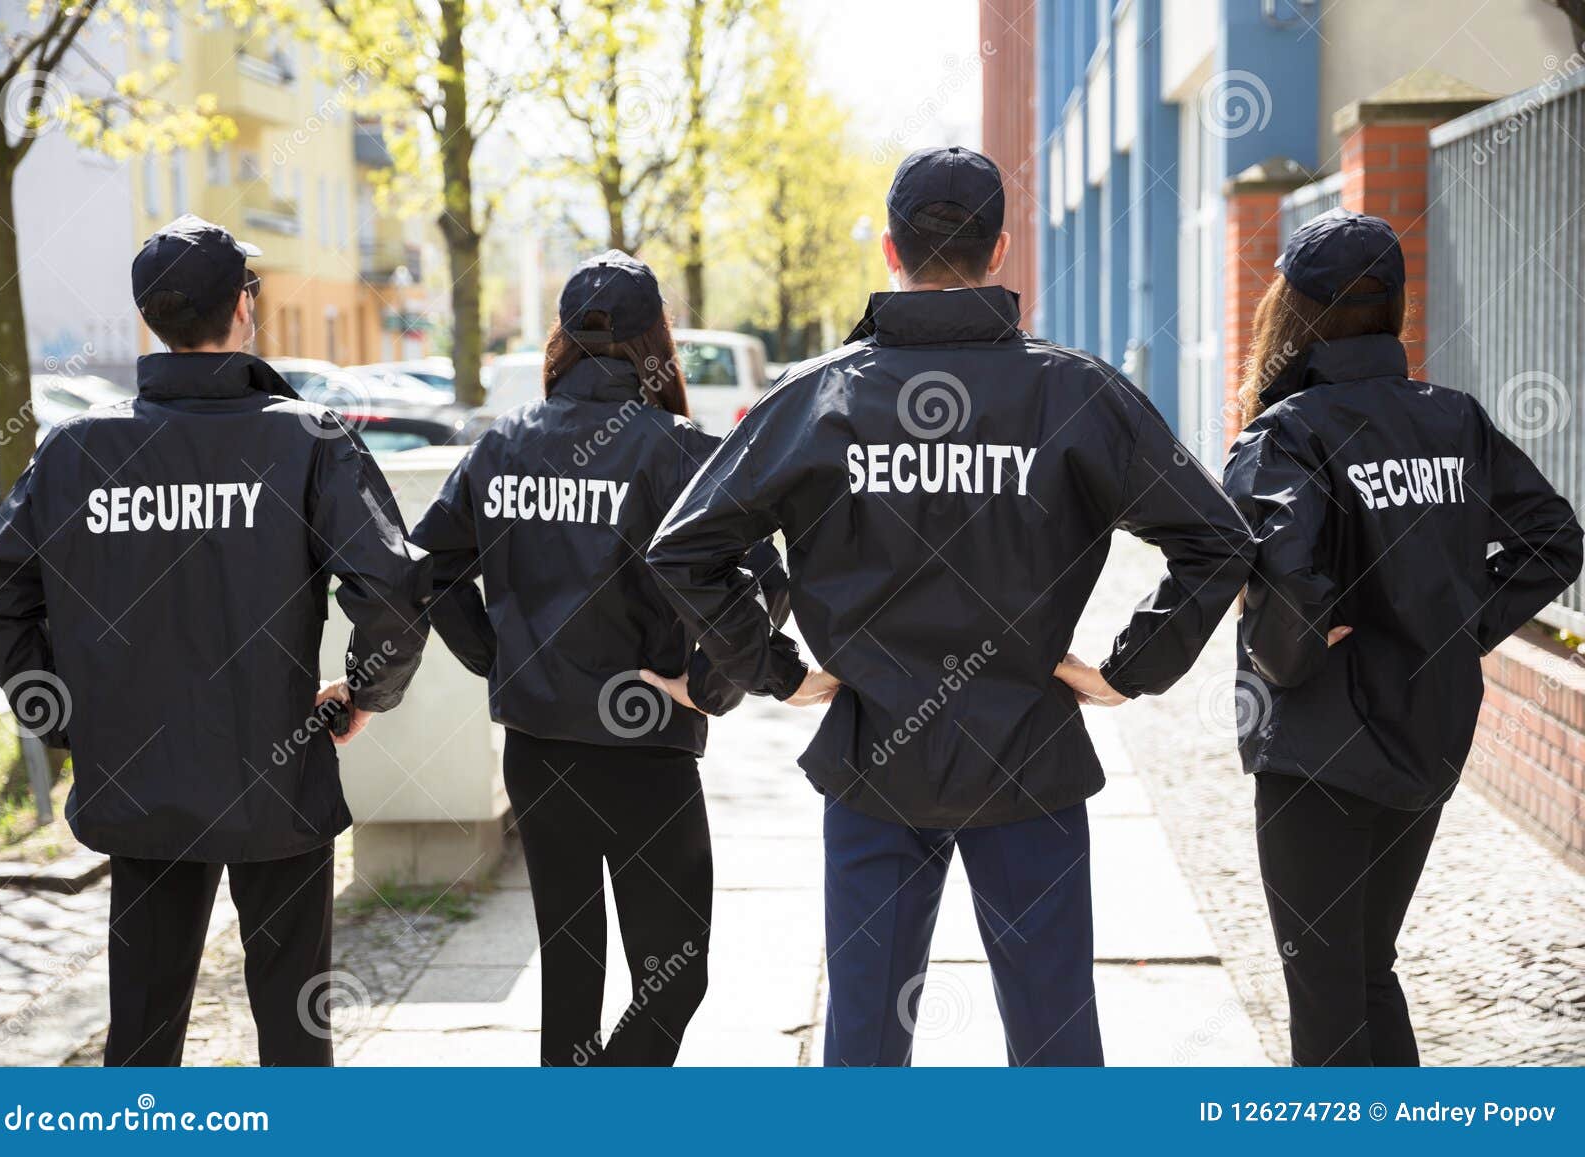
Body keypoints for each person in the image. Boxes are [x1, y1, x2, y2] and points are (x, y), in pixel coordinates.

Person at [643, 147, 1254, 1067]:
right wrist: (1128, 670)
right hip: (1027, 756)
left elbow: (685, 547)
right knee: (1054, 1047)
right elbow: (1220, 537)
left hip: (874, 759)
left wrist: (775, 670)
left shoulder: (820, 397)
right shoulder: (1073, 391)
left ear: (890, 250)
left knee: (865, 1050)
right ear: (999, 248)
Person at [0, 214, 431, 1066]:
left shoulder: (78, 449)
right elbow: (394, 588)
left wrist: (63, 714)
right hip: (278, 776)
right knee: (296, 1040)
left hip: (140, 782)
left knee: (143, 1039)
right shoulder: (305, 438)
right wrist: (362, 693)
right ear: (245, 309)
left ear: (151, 318)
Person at [1222, 208, 1583, 1067]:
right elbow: (1555, 540)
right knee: (1366, 966)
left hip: (1320, 752)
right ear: (1393, 308)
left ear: (1292, 313)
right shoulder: (1451, 418)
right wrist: (1462, 624)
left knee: (1325, 987)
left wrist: (1301, 640)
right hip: (1428, 737)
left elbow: (1280, 584)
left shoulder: (1287, 431)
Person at [411, 251, 789, 1067]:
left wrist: (500, 658)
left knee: (571, 976)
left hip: (540, 748)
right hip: (644, 749)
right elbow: (765, 581)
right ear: (656, 340)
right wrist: (708, 688)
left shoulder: (501, 444)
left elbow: (428, 567)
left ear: (563, 338)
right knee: (674, 975)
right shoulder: (679, 451)